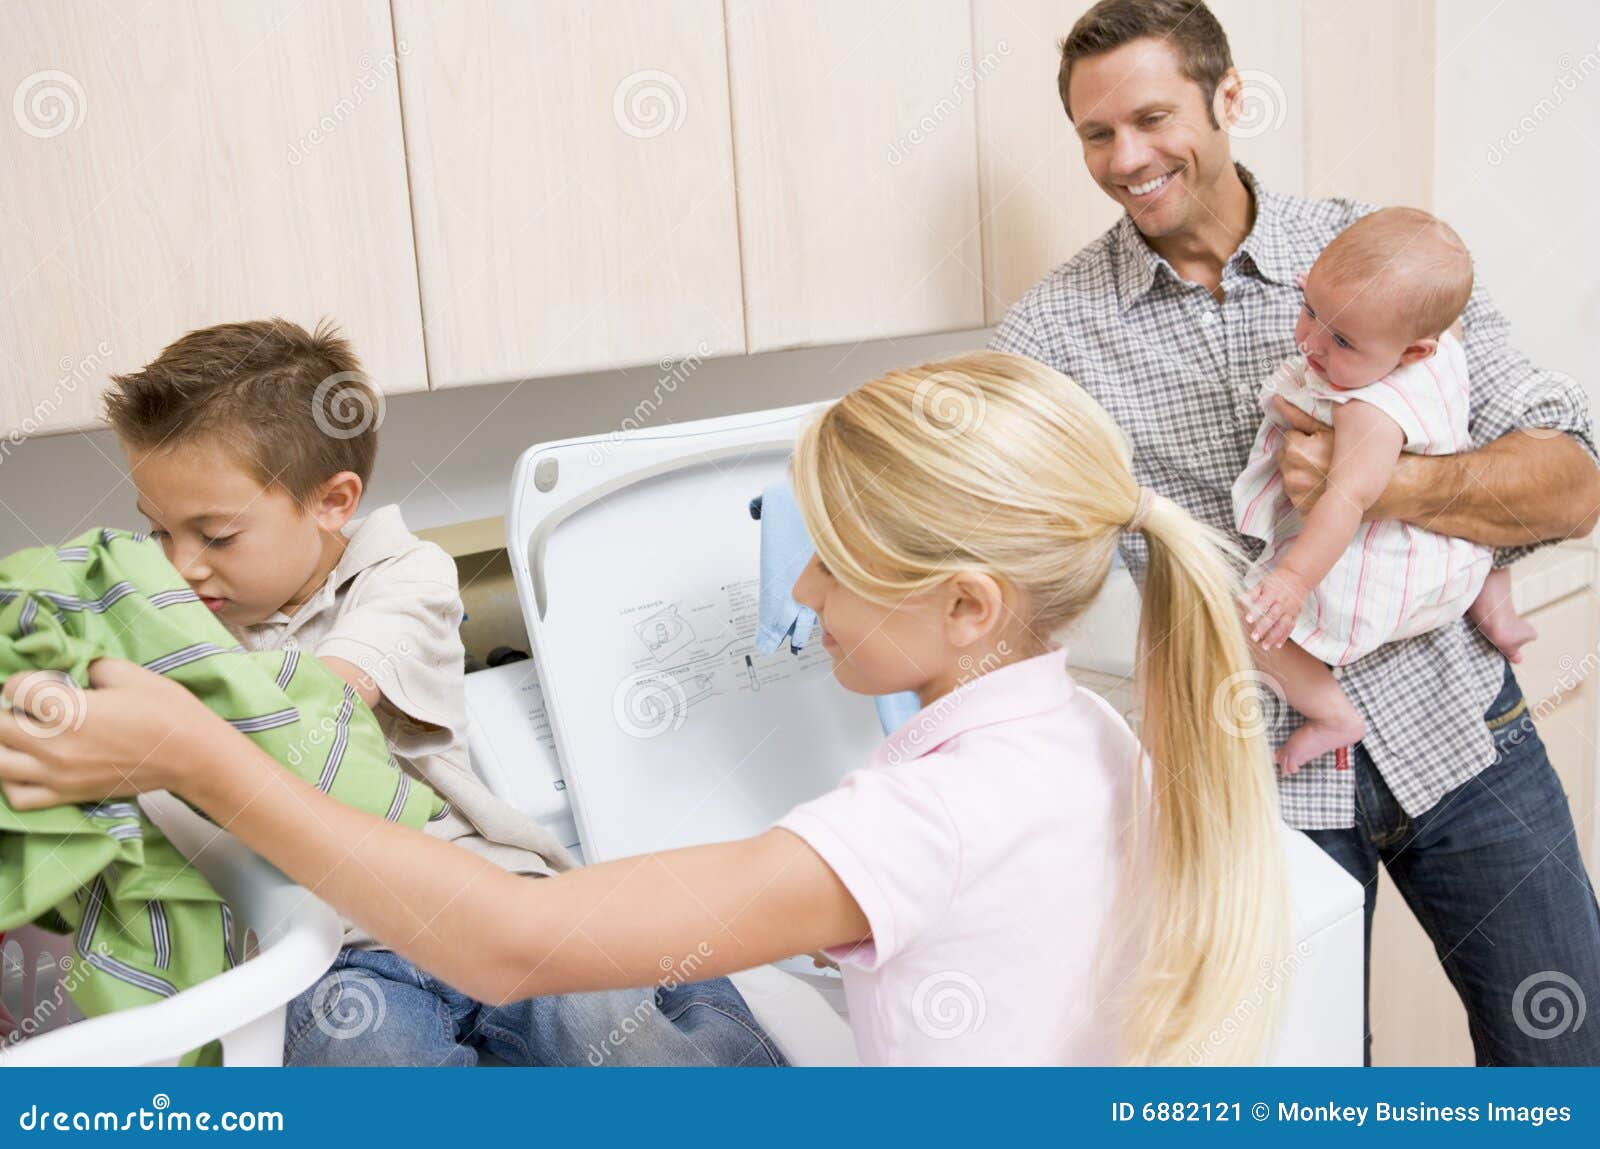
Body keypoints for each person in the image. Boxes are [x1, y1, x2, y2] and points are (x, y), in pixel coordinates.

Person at [1, 352, 1290, 1065]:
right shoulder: (1093, 736)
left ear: (965, 606)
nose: (800, 586)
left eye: (831, 556)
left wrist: (196, 756)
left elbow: (509, 943)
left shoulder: (922, 817)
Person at [990, 0, 1600, 1062]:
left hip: (1464, 729)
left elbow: (1572, 483)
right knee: (1313, 1088)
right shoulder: (1049, 335)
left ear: (1228, 96)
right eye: (1096, 133)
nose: (1126, 157)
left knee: (1565, 1055)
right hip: (1256, 768)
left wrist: (1382, 481)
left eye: (1151, 116)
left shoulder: (1379, 253)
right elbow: (1016, 534)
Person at [94, 318, 781, 1067]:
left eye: (214, 535)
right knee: (370, 1061)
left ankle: (700, 1003)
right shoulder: (164, 625)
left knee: (612, 1035)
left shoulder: (403, 574)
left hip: (487, 898)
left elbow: (324, 710)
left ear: (331, 500)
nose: (181, 564)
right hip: (335, 949)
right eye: (158, 534)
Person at [1235, 207, 1534, 774]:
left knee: (1247, 622)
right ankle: (1497, 612)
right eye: (1309, 311)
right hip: (1459, 555)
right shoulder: (1441, 336)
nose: (1311, 344)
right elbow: (1393, 310)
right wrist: (1337, 310)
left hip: (1387, 570)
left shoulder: (1369, 414)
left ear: (1413, 351)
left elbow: (1347, 498)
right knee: (1475, 489)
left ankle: (1331, 715)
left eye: (1341, 339)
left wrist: (1293, 581)